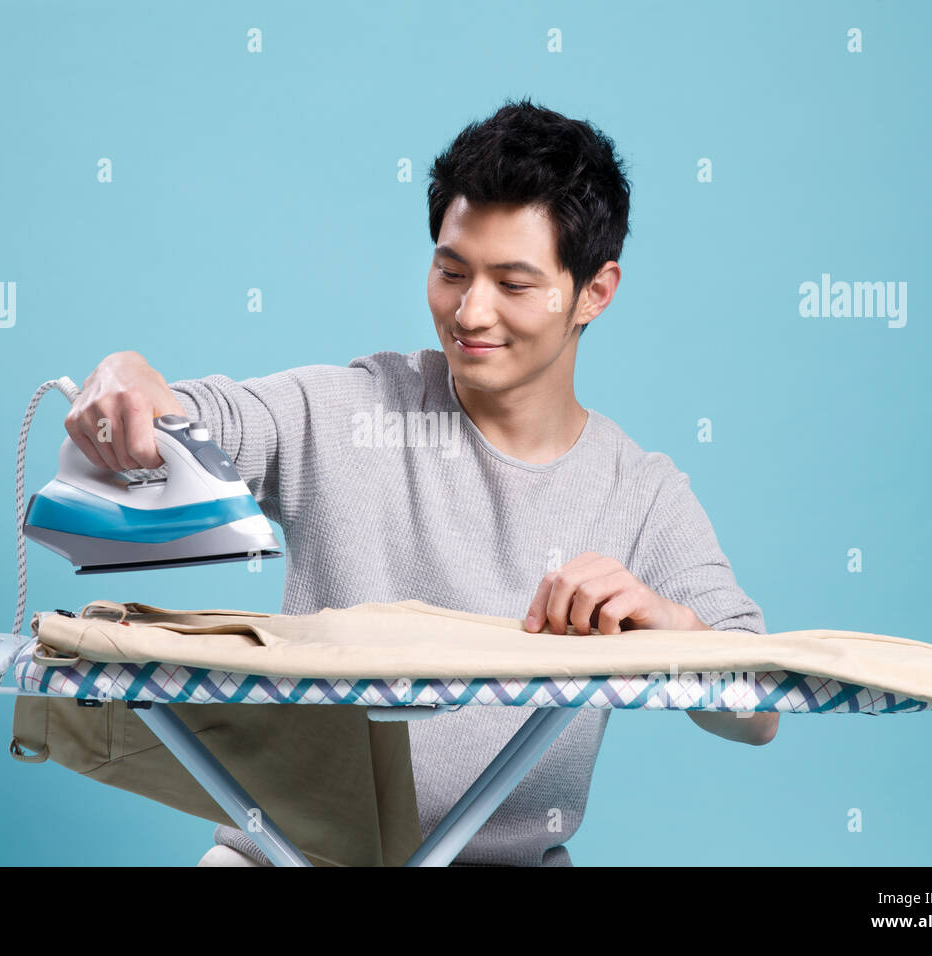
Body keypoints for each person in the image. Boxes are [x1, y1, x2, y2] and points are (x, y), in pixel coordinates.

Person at [63, 98, 778, 867]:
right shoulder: (352, 412)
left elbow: (758, 712)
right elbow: (210, 419)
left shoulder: (640, 494)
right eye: (451, 272)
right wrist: (129, 381)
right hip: (284, 856)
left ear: (595, 292)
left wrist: (670, 629)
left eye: (512, 282)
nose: (470, 312)